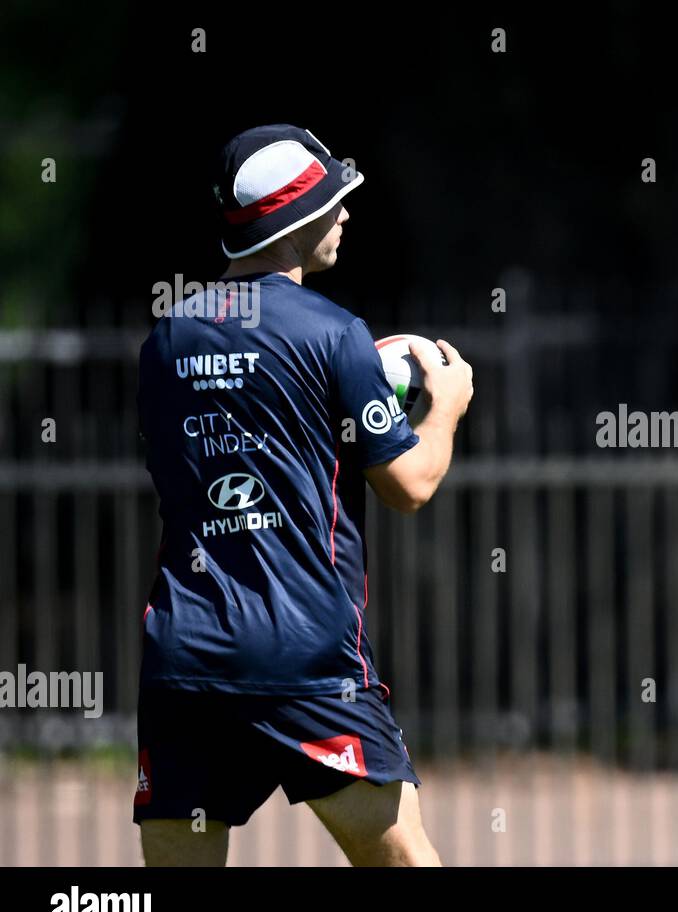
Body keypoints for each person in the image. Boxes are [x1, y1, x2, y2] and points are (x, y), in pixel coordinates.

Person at [134, 124, 473, 866]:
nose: (346, 214)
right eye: (334, 201)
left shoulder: (166, 340)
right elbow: (410, 486)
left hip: (186, 658)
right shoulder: (335, 334)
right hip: (305, 661)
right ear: (294, 220)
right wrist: (445, 404)